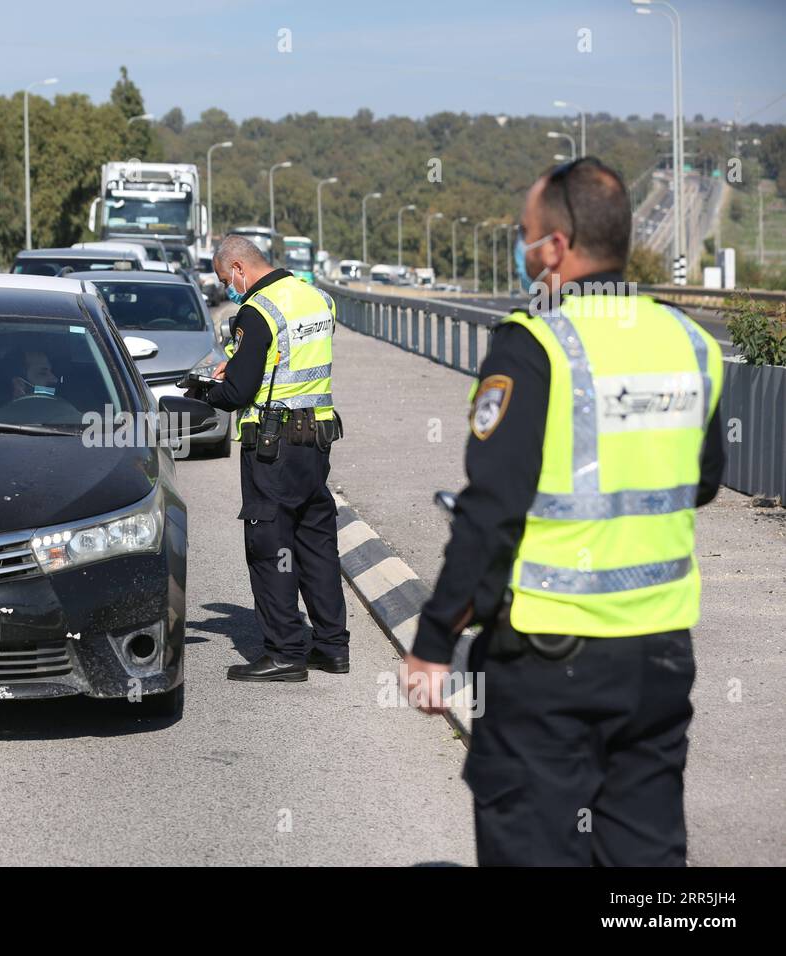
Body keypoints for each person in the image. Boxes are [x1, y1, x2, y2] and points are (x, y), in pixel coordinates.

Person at [401, 158, 725, 866]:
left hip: (550, 662)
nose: (523, 250)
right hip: (661, 654)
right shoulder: (691, 343)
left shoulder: (536, 344)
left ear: (555, 247)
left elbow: (490, 514)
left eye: (525, 234)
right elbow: (700, 483)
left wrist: (431, 643)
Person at [197, 234, 349, 682]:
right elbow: (288, 358)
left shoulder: (257, 310)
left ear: (240, 268)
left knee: (270, 546)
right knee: (316, 542)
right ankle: (332, 647)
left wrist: (206, 390)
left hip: (273, 446)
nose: (230, 287)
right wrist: (238, 358)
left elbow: (240, 391)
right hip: (317, 439)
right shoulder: (317, 298)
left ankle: (284, 651)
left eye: (228, 279)